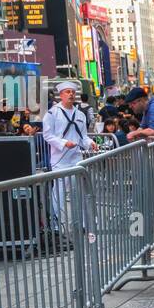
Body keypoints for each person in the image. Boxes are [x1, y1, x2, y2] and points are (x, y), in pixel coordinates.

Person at [41, 79, 95, 219]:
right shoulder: (52, 114)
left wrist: (90, 143)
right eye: (67, 92)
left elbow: (83, 136)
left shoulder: (80, 115)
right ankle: (58, 221)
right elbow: (48, 136)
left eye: (73, 92)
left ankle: (81, 221)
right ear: (61, 95)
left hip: (76, 158)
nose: (71, 94)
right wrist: (64, 143)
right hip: (59, 159)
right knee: (59, 191)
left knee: (78, 191)